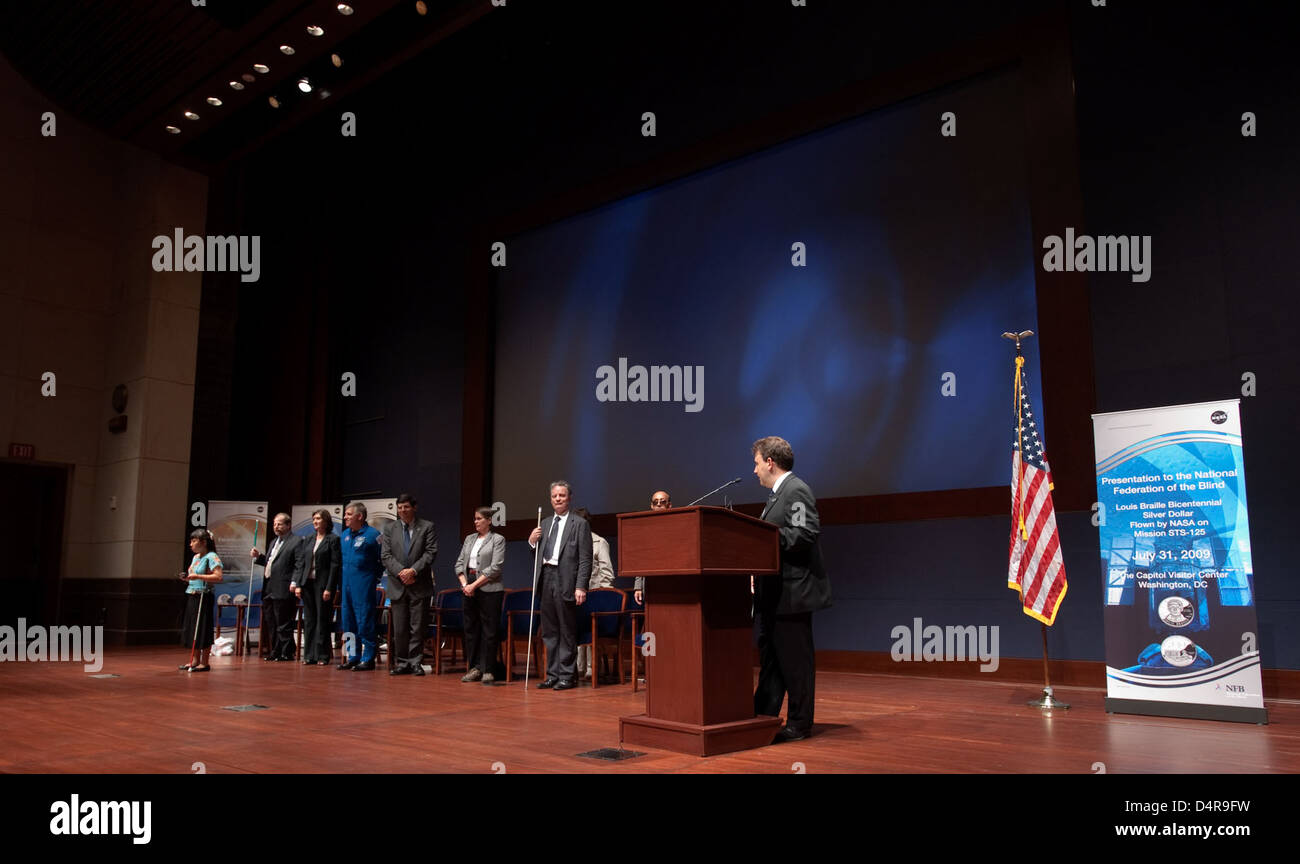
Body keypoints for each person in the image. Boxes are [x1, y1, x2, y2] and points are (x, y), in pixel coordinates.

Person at [751, 436, 832, 743]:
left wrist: (761, 542)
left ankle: (800, 724)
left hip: (792, 594)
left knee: (796, 663)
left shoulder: (795, 489)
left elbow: (803, 533)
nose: (755, 469)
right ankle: (761, 716)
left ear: (770, 462)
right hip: (774, 595)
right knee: (772, 660)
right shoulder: (776, 495)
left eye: (757, 462)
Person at [527, 481, 592, 690]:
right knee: (549, 630)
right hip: (546, 577)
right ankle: (552, 674)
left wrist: (581, 586)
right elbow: (537, 555)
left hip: (567, 580)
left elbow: (585, 559)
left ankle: (567, 675)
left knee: (566, 630)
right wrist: (531, 542)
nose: (558, 499)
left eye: (562, 495)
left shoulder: (579, 523)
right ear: (550, 498)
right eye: (555, 496)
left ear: (569, 498)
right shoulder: (544, 523)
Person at [381, 492, 437, 676]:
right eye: (400, 507)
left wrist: (412, 571)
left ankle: (415, 662)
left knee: (417, 627)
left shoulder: (427, 526)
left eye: (406, 507)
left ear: (414, 507)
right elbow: (386, 556)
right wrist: (401, 572)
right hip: (397, 584)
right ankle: (402, 662)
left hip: (419, 583)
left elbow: (430, 553)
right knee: (399, 628)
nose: (403, 510)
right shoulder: (389, 528)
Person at [454, 506, 506, 684]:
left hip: (489, 588)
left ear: (489, 520)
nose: (475, 522)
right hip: (468, 587)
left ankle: (489, 669)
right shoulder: (469, 539)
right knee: (471, 630)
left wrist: (474, 585)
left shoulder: (497, 539)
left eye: (479, 519)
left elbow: (495, 567)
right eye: (474, 519)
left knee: (489, 630)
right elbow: (460, 563)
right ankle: (474, 668)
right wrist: (465, 585)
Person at [250, 513, 303, 661]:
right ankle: (275, 651)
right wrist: (259, 557)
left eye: (279, 524)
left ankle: (287, 652)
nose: (276, 527)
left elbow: (299, 564)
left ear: (288, 525)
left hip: (284, 587)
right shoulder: (274, 542)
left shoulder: (296, 541)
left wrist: (295, 582)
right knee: (271, 622)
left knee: (283, 622)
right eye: (274, 524)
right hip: (269, 587)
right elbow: (270, 563)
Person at [338, 501, 384, 671]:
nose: (345, 517)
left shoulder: (374, 535)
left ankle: (368, 658)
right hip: (346, 586)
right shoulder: (344, 535)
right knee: (348, 622)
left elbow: (382, 559)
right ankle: (352, 656)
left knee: (364, 621)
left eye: (348, 514)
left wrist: (374, 577)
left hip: (364, 585)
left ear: (360, 516)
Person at [293, 508, 341, 666]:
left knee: (322, 619)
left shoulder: (333, 539)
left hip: (323, 585)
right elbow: (302, 563)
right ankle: (309, 655)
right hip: (307, 584)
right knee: (310, 620)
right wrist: (298, 584)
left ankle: (322, 655)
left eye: (318, 519)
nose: (315, 521)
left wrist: (329, 588)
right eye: (314, 519)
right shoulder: (309, 538)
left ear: (326, 521)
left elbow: (335, 566)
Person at [574, 507, 614, 680]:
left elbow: (607, 572)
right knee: (576, 629)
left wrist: (603, 596)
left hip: (595, 594)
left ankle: (591, 666)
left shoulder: (599, 542)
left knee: (591, 628)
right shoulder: (572, 542)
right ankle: (577, 667)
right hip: (577, 594)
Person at [179, 528, 223, 672]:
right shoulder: (196, 557)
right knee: (193, 628)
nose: (190, 544)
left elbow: (218, 577)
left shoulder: (212, 556)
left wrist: (198, 577)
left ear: (203, 542)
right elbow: (193, 574)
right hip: (192, 594)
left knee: (203, 627)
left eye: (193, 541)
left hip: (204, 595)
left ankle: (205, 662)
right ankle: (194, 660)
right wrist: (187, 578)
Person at [634, 490, 671, 604]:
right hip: (650, 582)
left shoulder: (676, 525)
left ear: (669, 505)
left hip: (671, 580)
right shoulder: (645, 529)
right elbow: (641, 559)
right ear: (651, 506)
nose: (659, 504)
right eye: (655, 502)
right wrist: (638, 587)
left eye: (662, 502)